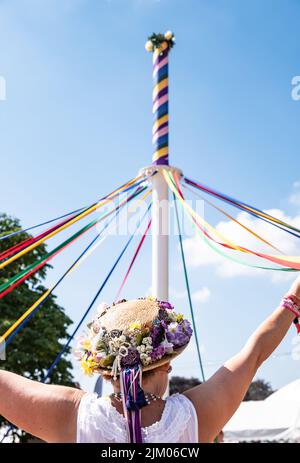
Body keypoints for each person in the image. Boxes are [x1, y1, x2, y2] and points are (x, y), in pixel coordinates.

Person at [1, 276, 300, 443]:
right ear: (167, 363)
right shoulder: (197, 416)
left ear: (104, 370)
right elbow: (254, 354)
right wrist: (292, 301)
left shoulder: (73, 414)